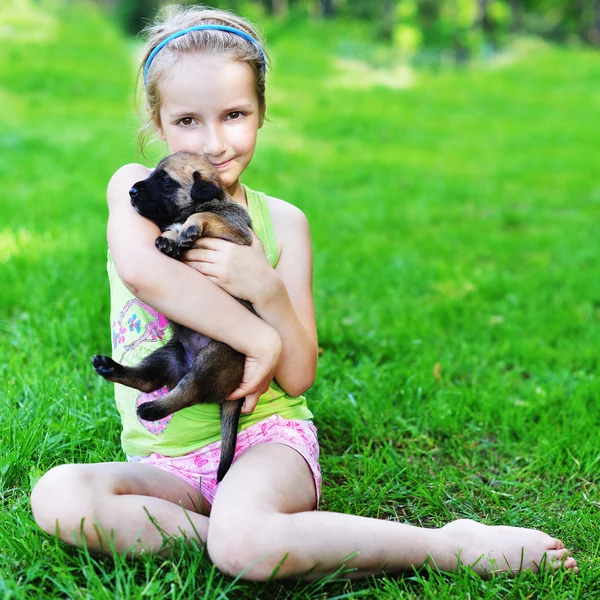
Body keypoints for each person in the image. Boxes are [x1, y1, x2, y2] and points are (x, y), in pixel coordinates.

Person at [30, 4, 577, 580]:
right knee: (59, 495)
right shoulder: (138, 191)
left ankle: (447, 545)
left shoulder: (284, 224)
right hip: (164, 462)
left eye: (235, 114)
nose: (215, 142)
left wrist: (267, 291)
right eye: (188, 120)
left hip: (266, 441)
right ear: (158, 122)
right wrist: (254, 341)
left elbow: (296, 375)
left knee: (245, 544)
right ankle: (245, 540)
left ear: (262, 112)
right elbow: (146, 274)